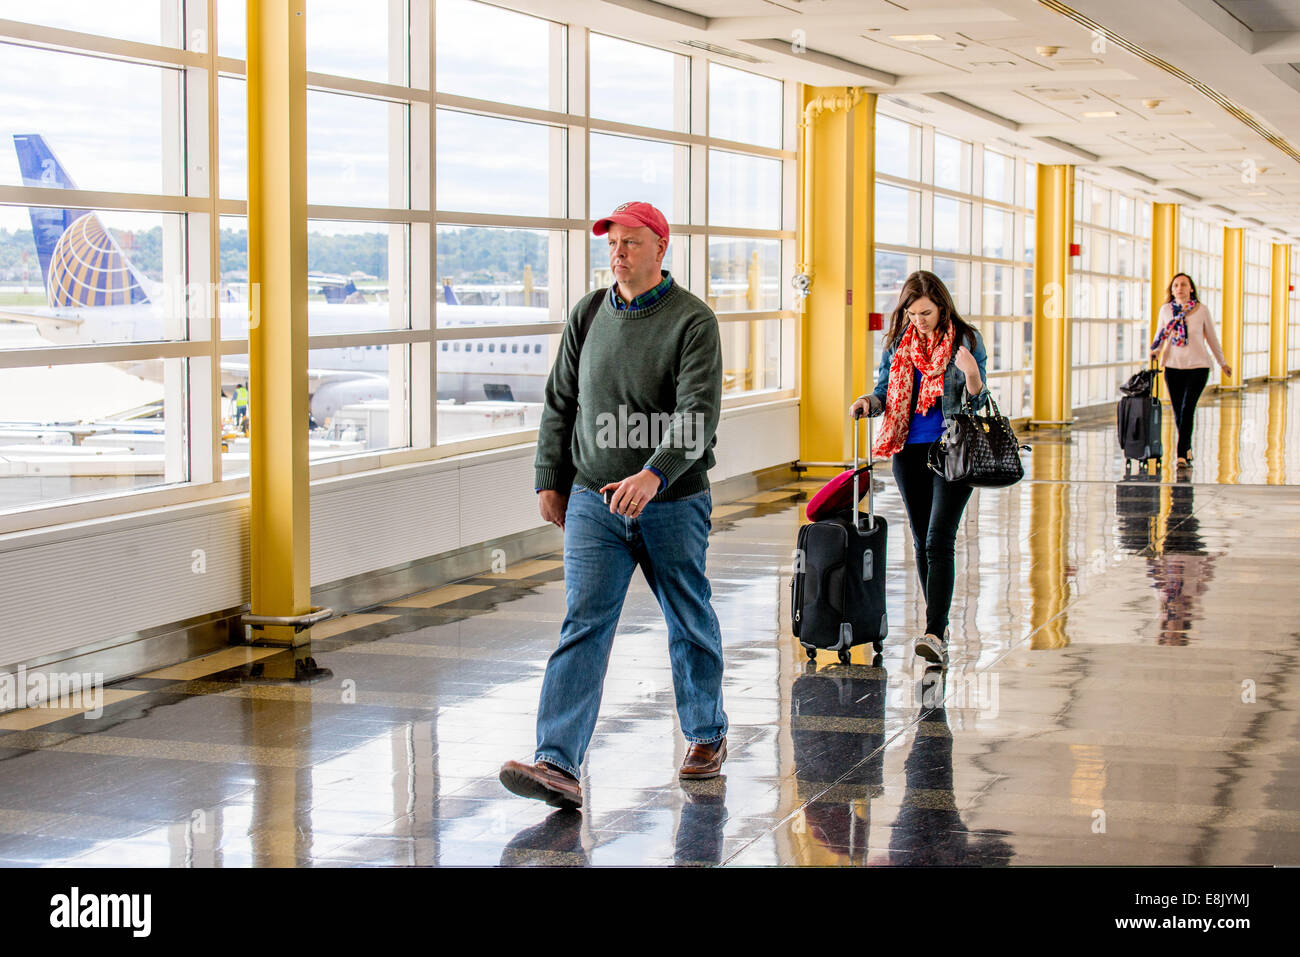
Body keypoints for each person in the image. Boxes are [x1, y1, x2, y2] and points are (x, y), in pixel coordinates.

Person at [499, 201, 728, 810]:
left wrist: (654, 474)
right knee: (584, 623)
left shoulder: (694, 322)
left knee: (687, 615)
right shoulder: (589, 313)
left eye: (629, 243)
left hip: (671, 502)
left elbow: (697, 414)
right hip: (592, 503)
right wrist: (549, 476)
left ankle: (706, 735)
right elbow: (560, 401)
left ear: (660, 248)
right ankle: (558, 762)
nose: (617, 254)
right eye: (611, 245)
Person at [850, 270, 989, 668]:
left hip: (954, 449)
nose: (919, 322)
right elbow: (883, 392)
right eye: (912, 315)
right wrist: (866, 402)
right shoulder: (898, 344)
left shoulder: (966, 341)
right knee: (920, 539)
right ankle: (938, 629)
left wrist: (973, 375)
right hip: (907, 450)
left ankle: (932, 630)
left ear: (942, 306)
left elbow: (979, 404)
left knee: (939, 538)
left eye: (925, 313)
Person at [1150, 272, 1231, 468]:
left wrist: (1222, 363)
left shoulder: (1201, 311)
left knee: (1188, 408)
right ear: (1172, 290)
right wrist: (1155, 352)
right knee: (1178, 410)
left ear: (1191, 288)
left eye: (1183, 285)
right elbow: (1161, 334)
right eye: (1176, 285)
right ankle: (1186, 447)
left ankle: (1181, 455)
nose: (1179, 288)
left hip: (1198, 366)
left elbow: (1212, 338)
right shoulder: (1166, 311)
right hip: (1173, 366)